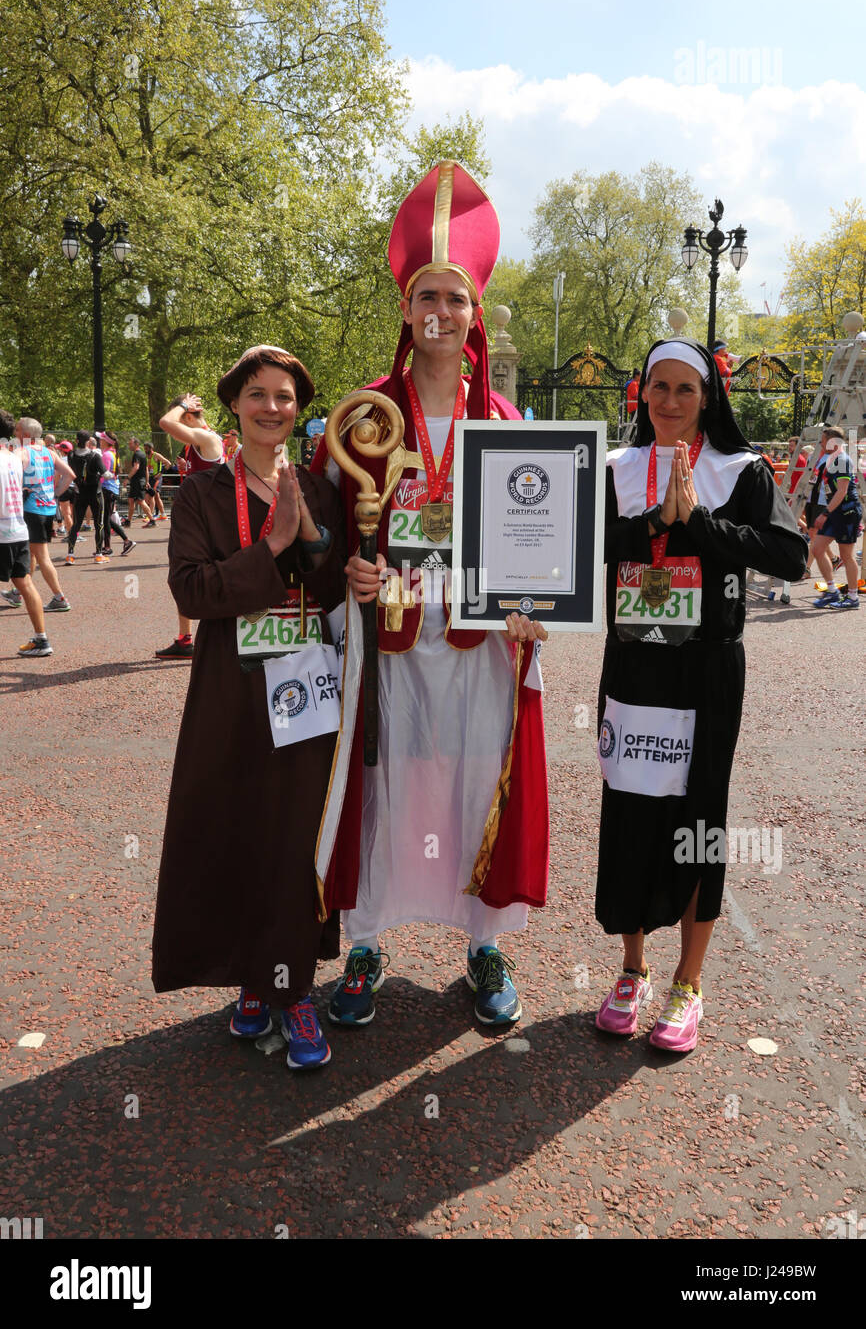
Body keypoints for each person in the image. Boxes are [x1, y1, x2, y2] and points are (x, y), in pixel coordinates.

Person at [312, 160, 549, 1028]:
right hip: (391, 643)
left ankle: (483, 947)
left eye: (455, 298)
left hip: (483, 645)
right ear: (406, 312)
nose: (440, 314)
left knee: (476, 780)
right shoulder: (364, 415)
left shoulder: (514, 427)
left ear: (473, 311)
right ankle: (368, 941)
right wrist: (349, 571)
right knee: (388, 786)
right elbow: (328, 530)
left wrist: (538, 604)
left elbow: (542, 548)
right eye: (426, 298)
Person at [594, 337, 806, 1053]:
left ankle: (689, 982)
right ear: (641, 393)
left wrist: (698, 524)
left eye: (686, 389)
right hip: (633, 664)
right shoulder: (618, 468)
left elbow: (790, 555)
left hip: (707, 668)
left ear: (709, 397)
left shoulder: (741, 470)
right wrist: (653, 522)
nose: (671, 402)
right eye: (659, 387)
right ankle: (632, 970)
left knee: (697, 815)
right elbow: (583, 544)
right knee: (628, 807)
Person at [151, 345, 346, 1070]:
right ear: (233, 403)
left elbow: (329, 595)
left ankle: (294, 988)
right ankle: (251, 982)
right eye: (258, 394)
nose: (272, 407)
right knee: (233, 824)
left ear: (299, 408)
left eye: (286, 396)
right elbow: (192, 592)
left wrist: (333, 562)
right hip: (231, 692)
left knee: (296, 836)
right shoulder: (202, 492)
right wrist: (273, 547)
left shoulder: (321, 488)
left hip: (307, 691)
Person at [154, 394, 225, 658]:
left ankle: (216, 639)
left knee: (196, 580)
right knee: (181, 578)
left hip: (203, 524)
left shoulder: (207, 438)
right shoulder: (199, 443)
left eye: (180, 418)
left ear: (187, 417)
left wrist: (181, 407)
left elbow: (164, 422)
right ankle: (185, 639)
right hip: (196, 521)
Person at [0, 409, 53, 655]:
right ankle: (41, 639)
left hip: (2, 531)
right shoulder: (13, 457)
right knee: (25, 582)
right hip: (18, 529)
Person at [13, 417, 74, 611]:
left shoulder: (22, 452)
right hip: (46, 508)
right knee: (31, 552)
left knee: (41, 556)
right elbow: (70, 475)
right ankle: (19, 592)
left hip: (32, 509)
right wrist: (54, 494)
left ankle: (59, 597)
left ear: (26, 435)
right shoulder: (50, 453)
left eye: (17, 430)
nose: (14, 434)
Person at [812, 426, 862, 610]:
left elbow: (841, 492)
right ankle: (832, 591)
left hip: (847, 512)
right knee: (817, 549)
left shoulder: (842, 460)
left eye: (823, 440)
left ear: (833, 441)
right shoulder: (831, 459)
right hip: (835, 511)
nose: (820, 443)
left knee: (846, 555)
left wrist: (824, 513)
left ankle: (852, 597)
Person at [65, 431, 105, 564]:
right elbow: (105, 472)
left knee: (76, 524)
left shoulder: (71, 455)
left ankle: (70, 554)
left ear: (76, 441)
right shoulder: (95, 456)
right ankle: (98, 554)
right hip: (95, 493)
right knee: (98, 524)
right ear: (88, 441)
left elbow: (71, 472)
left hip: (79, 493)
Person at [97, 431, 136, 557]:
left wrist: (96, 481)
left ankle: (121, 542)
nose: (99, 441)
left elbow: (105, 474)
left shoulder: (107, 455)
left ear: (106, 441)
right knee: (106, 519)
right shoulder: (112, 453)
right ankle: (116, 544)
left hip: (107, 489)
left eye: (101, 439)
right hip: (111, 488)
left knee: (106, 519)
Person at [126, 437, 154, 526]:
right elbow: (146, 469)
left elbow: (136, 467)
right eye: (129, 444)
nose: (129, 445)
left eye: (131, 444)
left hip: (138, 482)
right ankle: (128, 521)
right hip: (139, 481)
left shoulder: (137, 455)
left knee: (141, 501)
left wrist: (127, 478)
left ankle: (152, 520)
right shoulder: (143, 455)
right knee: (131, 500)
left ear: (136, 444)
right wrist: (147, 481)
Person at [144, 441, 171, 520]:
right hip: (150, 478)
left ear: (151, 448)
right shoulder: (146, 457)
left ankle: (150, 516)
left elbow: (168, 463)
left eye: (146, 448)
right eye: (144, 448)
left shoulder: (156, 455)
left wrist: (160, 473)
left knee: (152, 495)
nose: (145, 450)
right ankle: (163, 514)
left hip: (157, 478)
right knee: (155, 497)